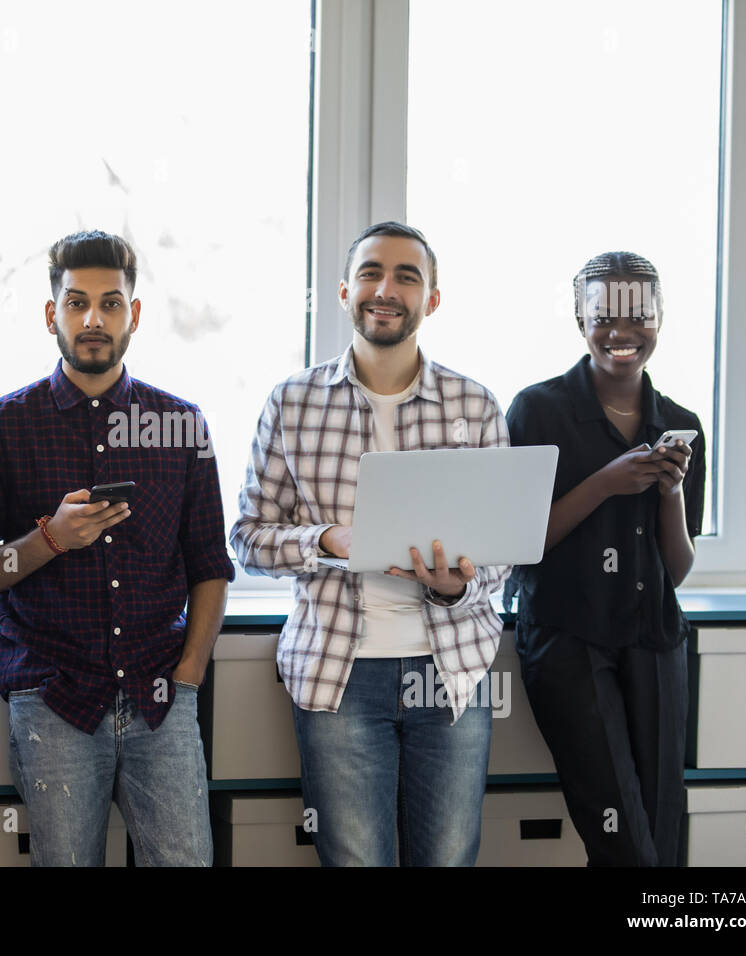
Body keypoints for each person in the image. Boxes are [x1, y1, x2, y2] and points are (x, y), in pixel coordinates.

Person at [230, 221, 509, 866]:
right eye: (371, 273)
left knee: (446, 861)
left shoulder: (476, 404)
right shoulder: (292, 402)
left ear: (431, 299)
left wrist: (459, 584)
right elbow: (247, 538)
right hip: (338, 675)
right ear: (344, 290)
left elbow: (503, 551)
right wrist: (327, 540)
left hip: (452, 675)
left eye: (407, 277)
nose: (386, 289)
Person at [0, 229, 234, 866]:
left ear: (133, 315)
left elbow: (211, 567)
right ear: (51, 314)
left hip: (161, 695)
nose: (93, 319)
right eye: (76, 302)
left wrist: (188, 676)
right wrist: (49, 539)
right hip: (53, 698)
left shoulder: (181, 425)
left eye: (111, 303)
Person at [504, 251, 704, 866]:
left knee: (663, 835)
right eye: (603, 316)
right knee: (623, 843)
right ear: (579, 320)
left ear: (660, 318)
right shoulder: (537, 410)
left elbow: (675, 570)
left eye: (639, 315)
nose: (622, 332)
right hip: (569, 641)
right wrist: (606, 483)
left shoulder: (681, 422)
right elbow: (517, 546)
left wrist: (668, 493)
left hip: (655, 641)